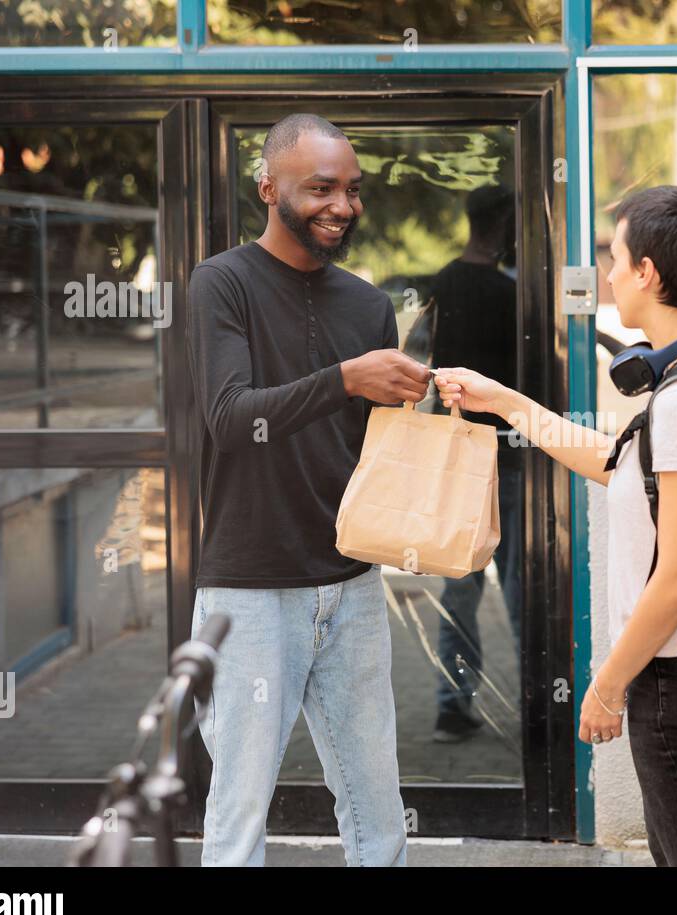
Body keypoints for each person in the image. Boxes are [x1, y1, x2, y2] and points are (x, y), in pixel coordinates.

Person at [434, 185, 677, 866]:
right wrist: (503, 400)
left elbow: (675, 578)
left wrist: (608, 685)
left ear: (647, 273)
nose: (607, 274)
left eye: (616, 258)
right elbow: (619, 465)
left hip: (675, 670)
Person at [185, 113, 430, 866]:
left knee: (376, 807)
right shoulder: (220, 284)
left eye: (352, 190)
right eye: (320, 187)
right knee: (238, 814)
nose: (342, 205)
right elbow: (231, 419)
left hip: (352, 583)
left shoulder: (367, 305)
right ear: (268, 188)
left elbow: (365, 448)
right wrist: (346, 379)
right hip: (252, 590)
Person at [425, 185, 523, 743]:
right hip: (508, 458)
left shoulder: (443, 282)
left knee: (460, 592)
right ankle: (542, 702)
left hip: (458, 455)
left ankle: (451, 708)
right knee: (522, 591)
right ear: (500, 223)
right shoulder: (510, 293)